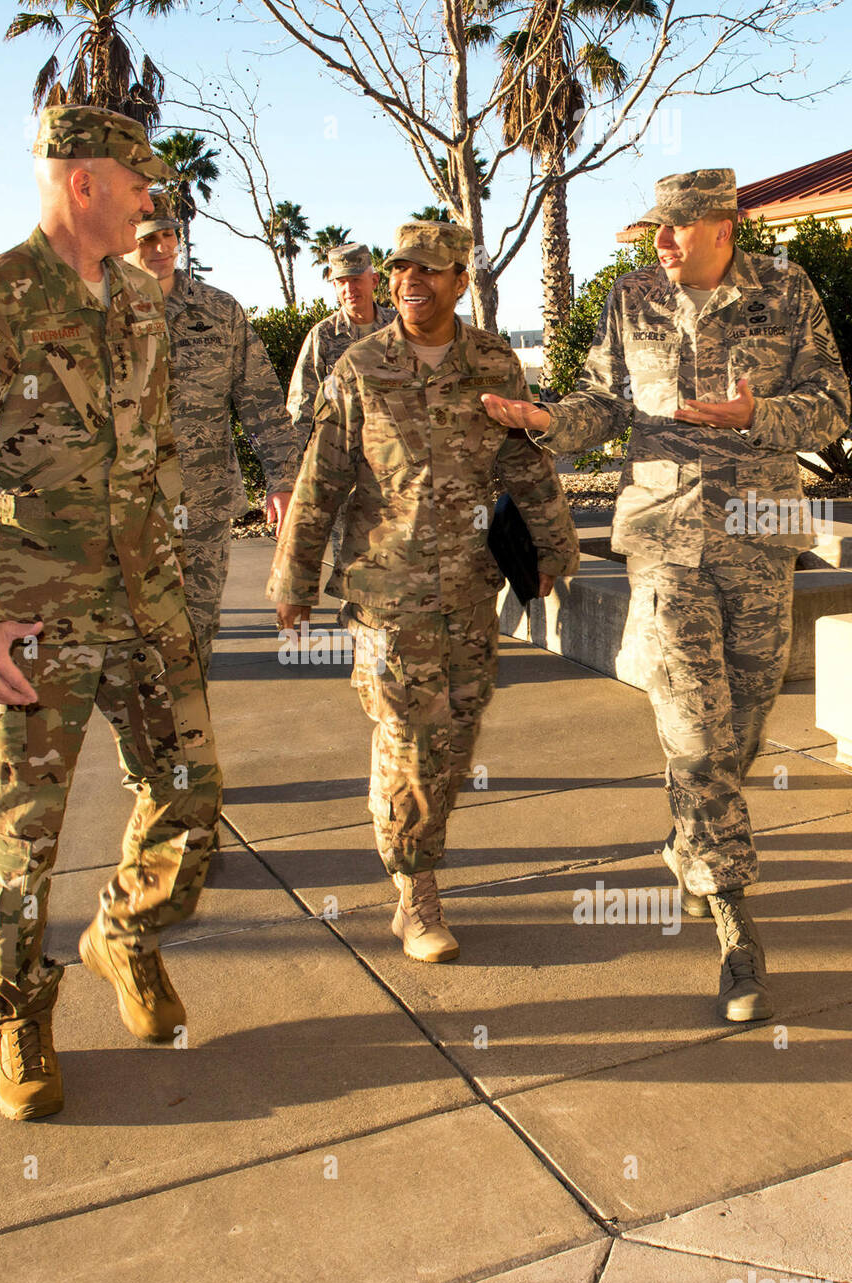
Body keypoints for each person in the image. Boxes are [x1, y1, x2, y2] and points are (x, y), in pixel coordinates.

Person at [0, 105, 223, 1122]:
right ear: (84, 182)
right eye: (137, 181)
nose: (149, 200)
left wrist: (172, 573)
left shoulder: (138, 296)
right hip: (29, 620)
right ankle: (18, 1015)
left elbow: (154, 439)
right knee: (17, 842)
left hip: (147, 603)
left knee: (192, 796)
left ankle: (124, 932)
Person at [483, 168, 850, 1022]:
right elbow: (601, 402)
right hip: (664, 541)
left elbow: (833, 405)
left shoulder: (788, 290)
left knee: (744, 726)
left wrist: (757, 418)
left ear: (722, 227)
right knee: (692, 723)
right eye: (656, 229)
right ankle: (735, 927)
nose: (662, 243)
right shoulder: (631, 297)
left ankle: (688, 839)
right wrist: (542, 422)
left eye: (677, 229)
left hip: (759, 536)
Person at [268, 221, 579, 963]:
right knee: (410, 739)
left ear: (460, 282)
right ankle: (416, 892)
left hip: (471, 588)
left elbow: (524, 462)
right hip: (389, 593)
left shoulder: (494, 361)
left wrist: (555, 547)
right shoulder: (361, 365)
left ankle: (414, 852)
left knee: (456, 731)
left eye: (431, 271)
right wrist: (295, 581)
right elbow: (322, 479)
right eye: (403, 267)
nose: (412, 280)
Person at [123, 192, 300, 673]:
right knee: (133, 644)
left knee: (196, 633)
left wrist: (282, 480)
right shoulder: (99, 311)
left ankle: (185, 737)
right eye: (146, 238)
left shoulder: (220, 311)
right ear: (124, 240)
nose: (160, 248)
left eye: (168, 235)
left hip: (204, 504)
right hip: (125, 511)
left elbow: (261, 401)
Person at [288, 243, 396, 558]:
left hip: (395, 466)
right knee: (349, 560)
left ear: (374, 281)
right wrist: (298, 473)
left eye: (356, 279)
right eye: (341, 281)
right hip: (344, 469)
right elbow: (301, 408)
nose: (349, 288)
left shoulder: (400, 330)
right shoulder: (322, 337)